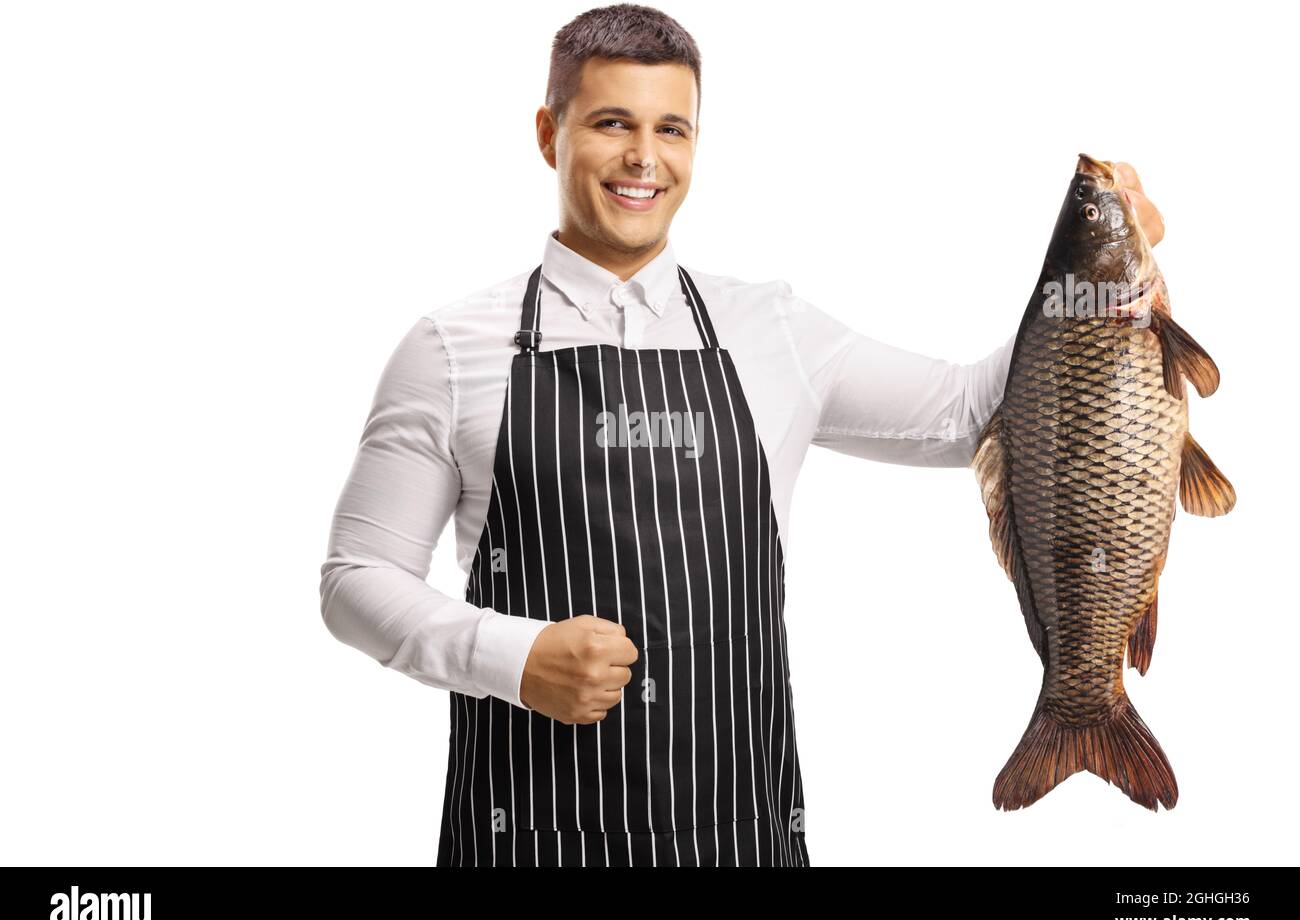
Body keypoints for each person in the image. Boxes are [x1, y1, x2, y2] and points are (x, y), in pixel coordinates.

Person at [318, 3, 1165, 867]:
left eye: (671, 128)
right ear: (550, 132)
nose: (644, 158)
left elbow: (972, 411)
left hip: (743, 835)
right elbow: (356, 579)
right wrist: (514, 654)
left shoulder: (773, 331)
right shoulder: (450, 349)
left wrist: (1094, 287)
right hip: (531, 839)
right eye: (613, 123)